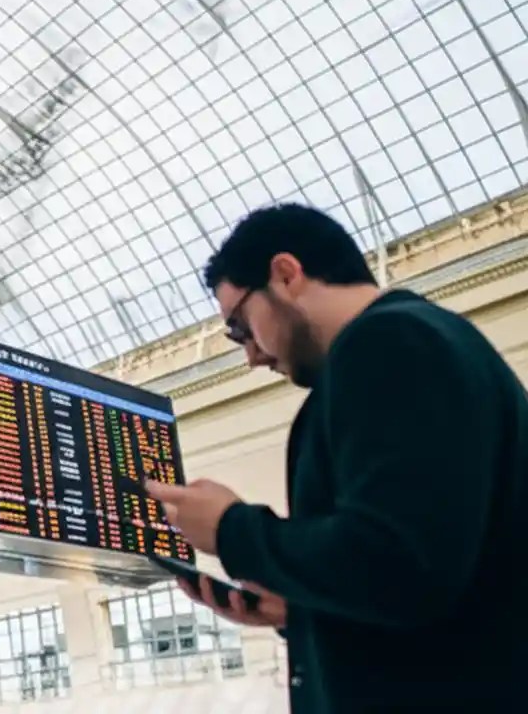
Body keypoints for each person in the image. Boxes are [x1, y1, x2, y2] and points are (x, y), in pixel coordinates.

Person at [145, 203, 526, 713]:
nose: (250, 355)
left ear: (286, 274)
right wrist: (302, 609)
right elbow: (427, 575)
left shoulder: (390, 343)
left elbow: (400, 562)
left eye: (239, 326)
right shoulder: (420, 342)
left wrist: (234, 530)